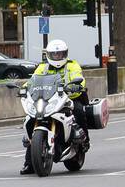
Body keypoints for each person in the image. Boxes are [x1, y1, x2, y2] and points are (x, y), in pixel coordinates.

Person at [22, 38, 89, 174]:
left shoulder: (72, 65)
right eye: (54, 54)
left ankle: (85, 140)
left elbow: (79, 78)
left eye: (60, 54)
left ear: (65, 54)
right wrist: (23, 89)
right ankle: (29, 163)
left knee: (78, 110)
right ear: (49, 55)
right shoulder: (43, 67)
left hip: (69, 97)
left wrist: (77, 86)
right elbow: (32, 81)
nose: (57, 57)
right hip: (48, 99)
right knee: (32, 118)